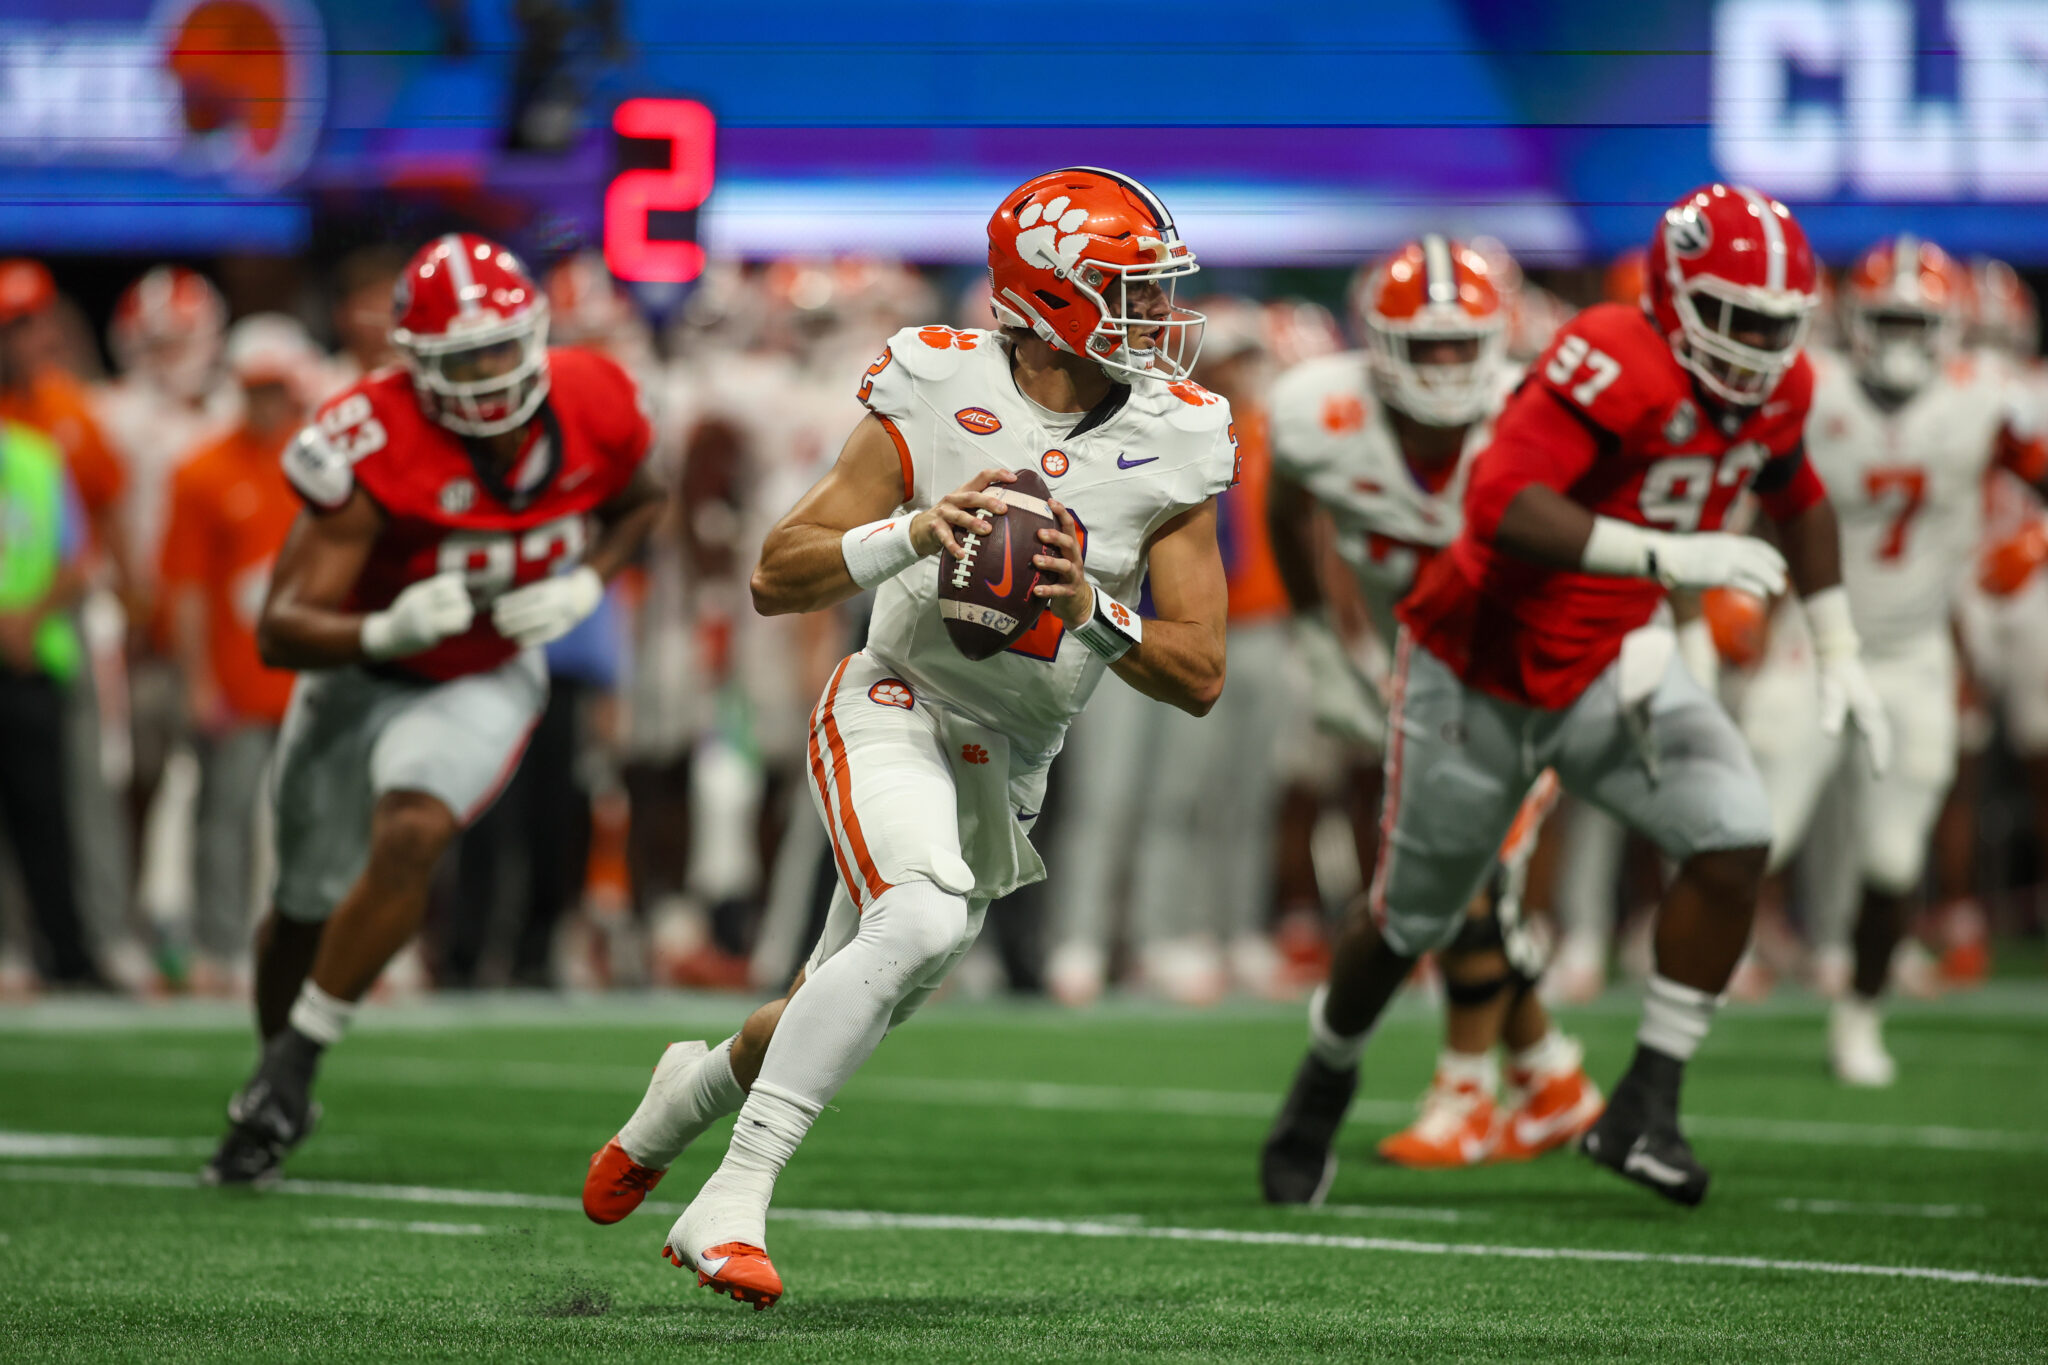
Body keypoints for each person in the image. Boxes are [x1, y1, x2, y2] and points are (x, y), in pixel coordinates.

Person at [581, 168, 1237, 1310]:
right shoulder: (936, 382)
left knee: (856, 982)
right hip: (891, 700)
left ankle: (678, 1100)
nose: (1156, 318)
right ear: (1045, 300)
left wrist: (1093, 605)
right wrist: (911, 533)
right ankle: (731, 1198)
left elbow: (1198, 672)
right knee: (921, 911)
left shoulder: (1180, 439)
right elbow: (775, 574)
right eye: (1127, 292)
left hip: (1013, 759)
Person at [1260, 184, 1890, 1209]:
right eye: (1732, 316)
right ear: (1675, 294)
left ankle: (1642, 1107)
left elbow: (1798, 496)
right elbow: (1505, 507)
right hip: (1474, 669)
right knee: (1410, 918)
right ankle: (1325, 1072)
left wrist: (1835, 641)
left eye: (1775, 321)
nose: (1755, 343)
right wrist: (1669, 559)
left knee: (1733, 838)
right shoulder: (1611, 353)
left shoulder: (1778, 387)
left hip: (1608, 655)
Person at [202, 234, 664, 1184]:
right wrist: (383, 626)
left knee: (413, 828)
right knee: (299, 906)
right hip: (359, 676)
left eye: (502, 348)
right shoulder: (372, 437)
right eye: (464, 360)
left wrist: (588, 581)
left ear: (535, 335)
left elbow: (640, 501)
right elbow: (279, 630)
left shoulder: (595, 398)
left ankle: (296, 1062)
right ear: (416, 365)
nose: (491, 376)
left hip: (483, 671)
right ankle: (270, 1071)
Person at [1266, 237, 1600, 1171]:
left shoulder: (1547, 416)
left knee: (1464, 870)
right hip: (1419, 680)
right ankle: (1549, 1073)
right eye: (1429, 346)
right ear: (1379, 345)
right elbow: (1287, 508)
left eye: (1466, 345)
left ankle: (1468, 1090)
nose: (1449, 366)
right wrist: (1317, 636)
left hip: (1534, 672)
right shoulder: (1317, 413)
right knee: (1460, 875)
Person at [1741, 236, 2047, 1086]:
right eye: (1888, 320)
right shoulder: (1809, 386)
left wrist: (2038, 536)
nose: (1905, 338)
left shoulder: (1986, 399)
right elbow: (1734, 478)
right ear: (1852, 321)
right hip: (1812, 636)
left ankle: (1860, 1015)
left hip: (1912, 652)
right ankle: (1683, 1009)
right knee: (1752, 836)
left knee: (1892, 860)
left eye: (1919, 321)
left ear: (1951, 327)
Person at [158, 315, 324, 994]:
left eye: (274, 390)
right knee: (222, 818)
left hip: (311, 683)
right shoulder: (203, 468)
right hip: (237, 680)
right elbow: (187, 587)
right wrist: (198, 679)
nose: (265, 403)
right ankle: (218, 944)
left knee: (318, 822)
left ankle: (313, 950)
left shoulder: (320, 473)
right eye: (254, 389)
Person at [0, 413, 100, 987]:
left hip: (32, 664)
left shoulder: (40, 460)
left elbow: (77, 562)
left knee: (49, 821)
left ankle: (67, 956)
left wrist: (27, 619)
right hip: (22, 648)